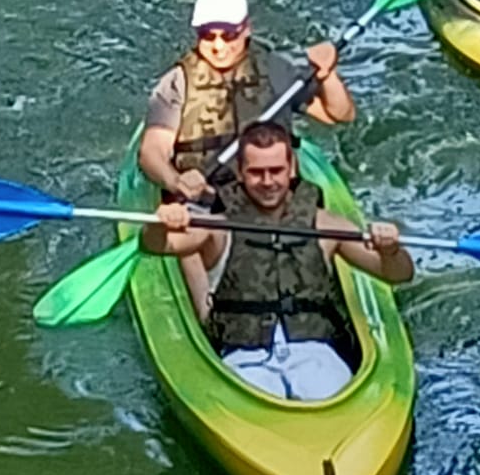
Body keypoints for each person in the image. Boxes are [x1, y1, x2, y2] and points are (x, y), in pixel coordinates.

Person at [137, 0, 354, 322]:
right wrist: (176, 181)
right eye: (208, 35)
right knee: (191, 236)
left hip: (272, 192)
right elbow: (151, 152)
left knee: (308, 224)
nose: (218, 45)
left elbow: (338, 114)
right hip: (208, 201)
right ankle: (209, 322)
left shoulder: (276, 70)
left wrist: (327, 75)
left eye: (229, 35)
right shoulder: (177, 83)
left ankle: (324, 310)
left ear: (246, 29)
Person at [150, 121, 414, 400]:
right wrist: (160, 224)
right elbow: (157, 245)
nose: (267, 182)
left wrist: (390, 250)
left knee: (327, 392)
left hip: (317, 356)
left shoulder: (325, 224)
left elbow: (399, 274)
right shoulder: (218, 226)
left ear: (292, 169)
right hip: (245, 359)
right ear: (240, 172)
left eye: (276, 170)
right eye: (256, 172)